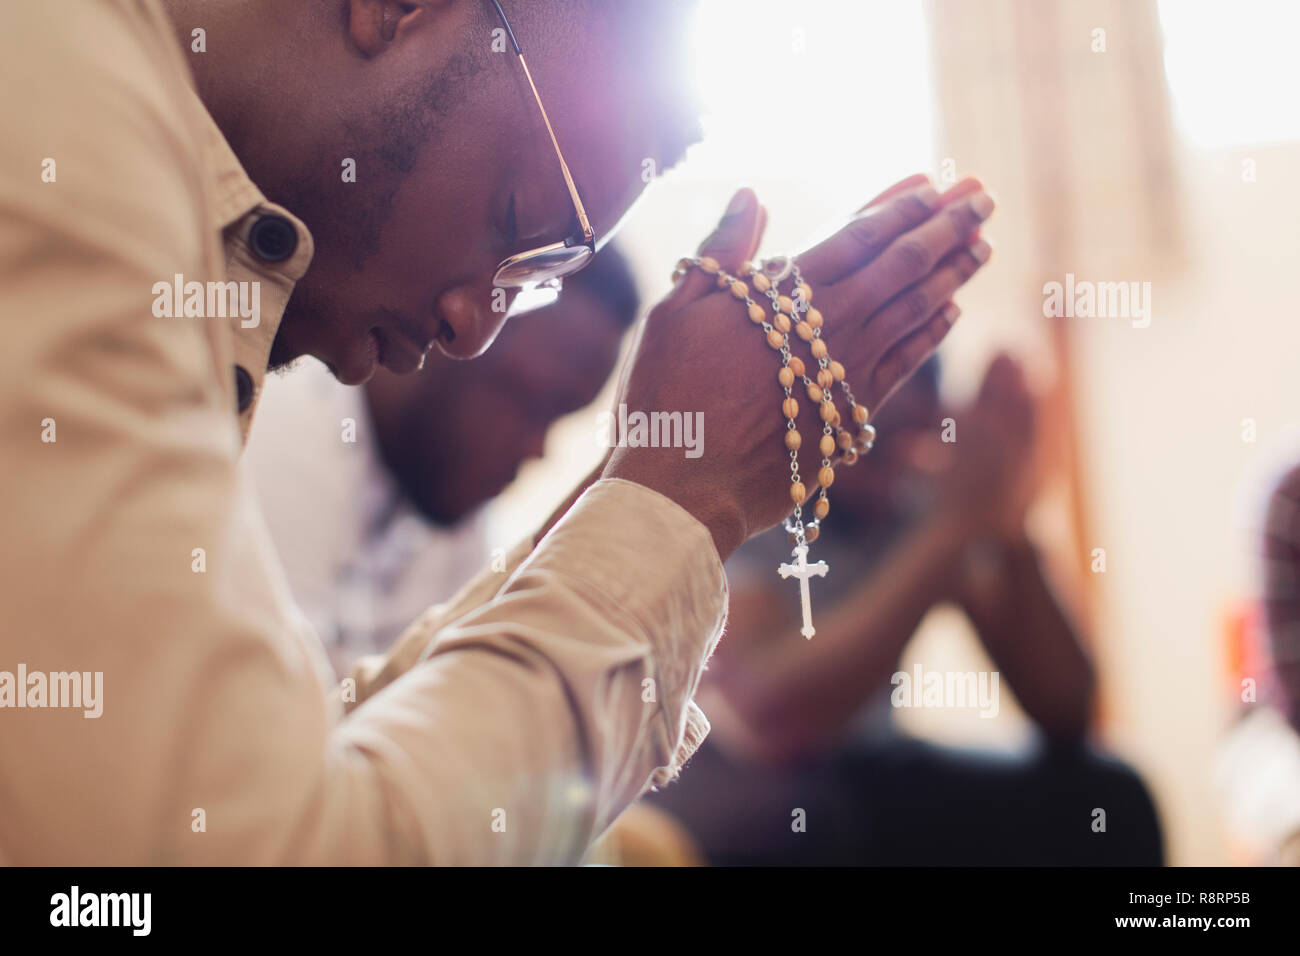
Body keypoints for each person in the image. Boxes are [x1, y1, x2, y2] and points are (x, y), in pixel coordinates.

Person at [0, 0, 993, 864]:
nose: (474, 327)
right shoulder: (64, 121)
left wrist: (641, 492)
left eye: (534, 284)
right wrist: (681, 501)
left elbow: (267, 774)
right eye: (515, 227)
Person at [647, 354, 1164, 865]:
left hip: (862, 777)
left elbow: (1068, 709)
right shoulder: (745, 508)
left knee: (1112, 798)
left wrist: (1010, 517)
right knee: (809, 814)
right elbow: (769, 720)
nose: (895, 469)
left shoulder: (910, 504)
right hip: (718, 781)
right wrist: (951, 531)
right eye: (872, 444)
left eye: (914, 440)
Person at [245, 247, 640, 675]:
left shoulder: (456, 530)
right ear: (460, 325)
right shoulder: (266, 432)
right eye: (533, 402)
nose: (536, 450)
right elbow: (288, 718)